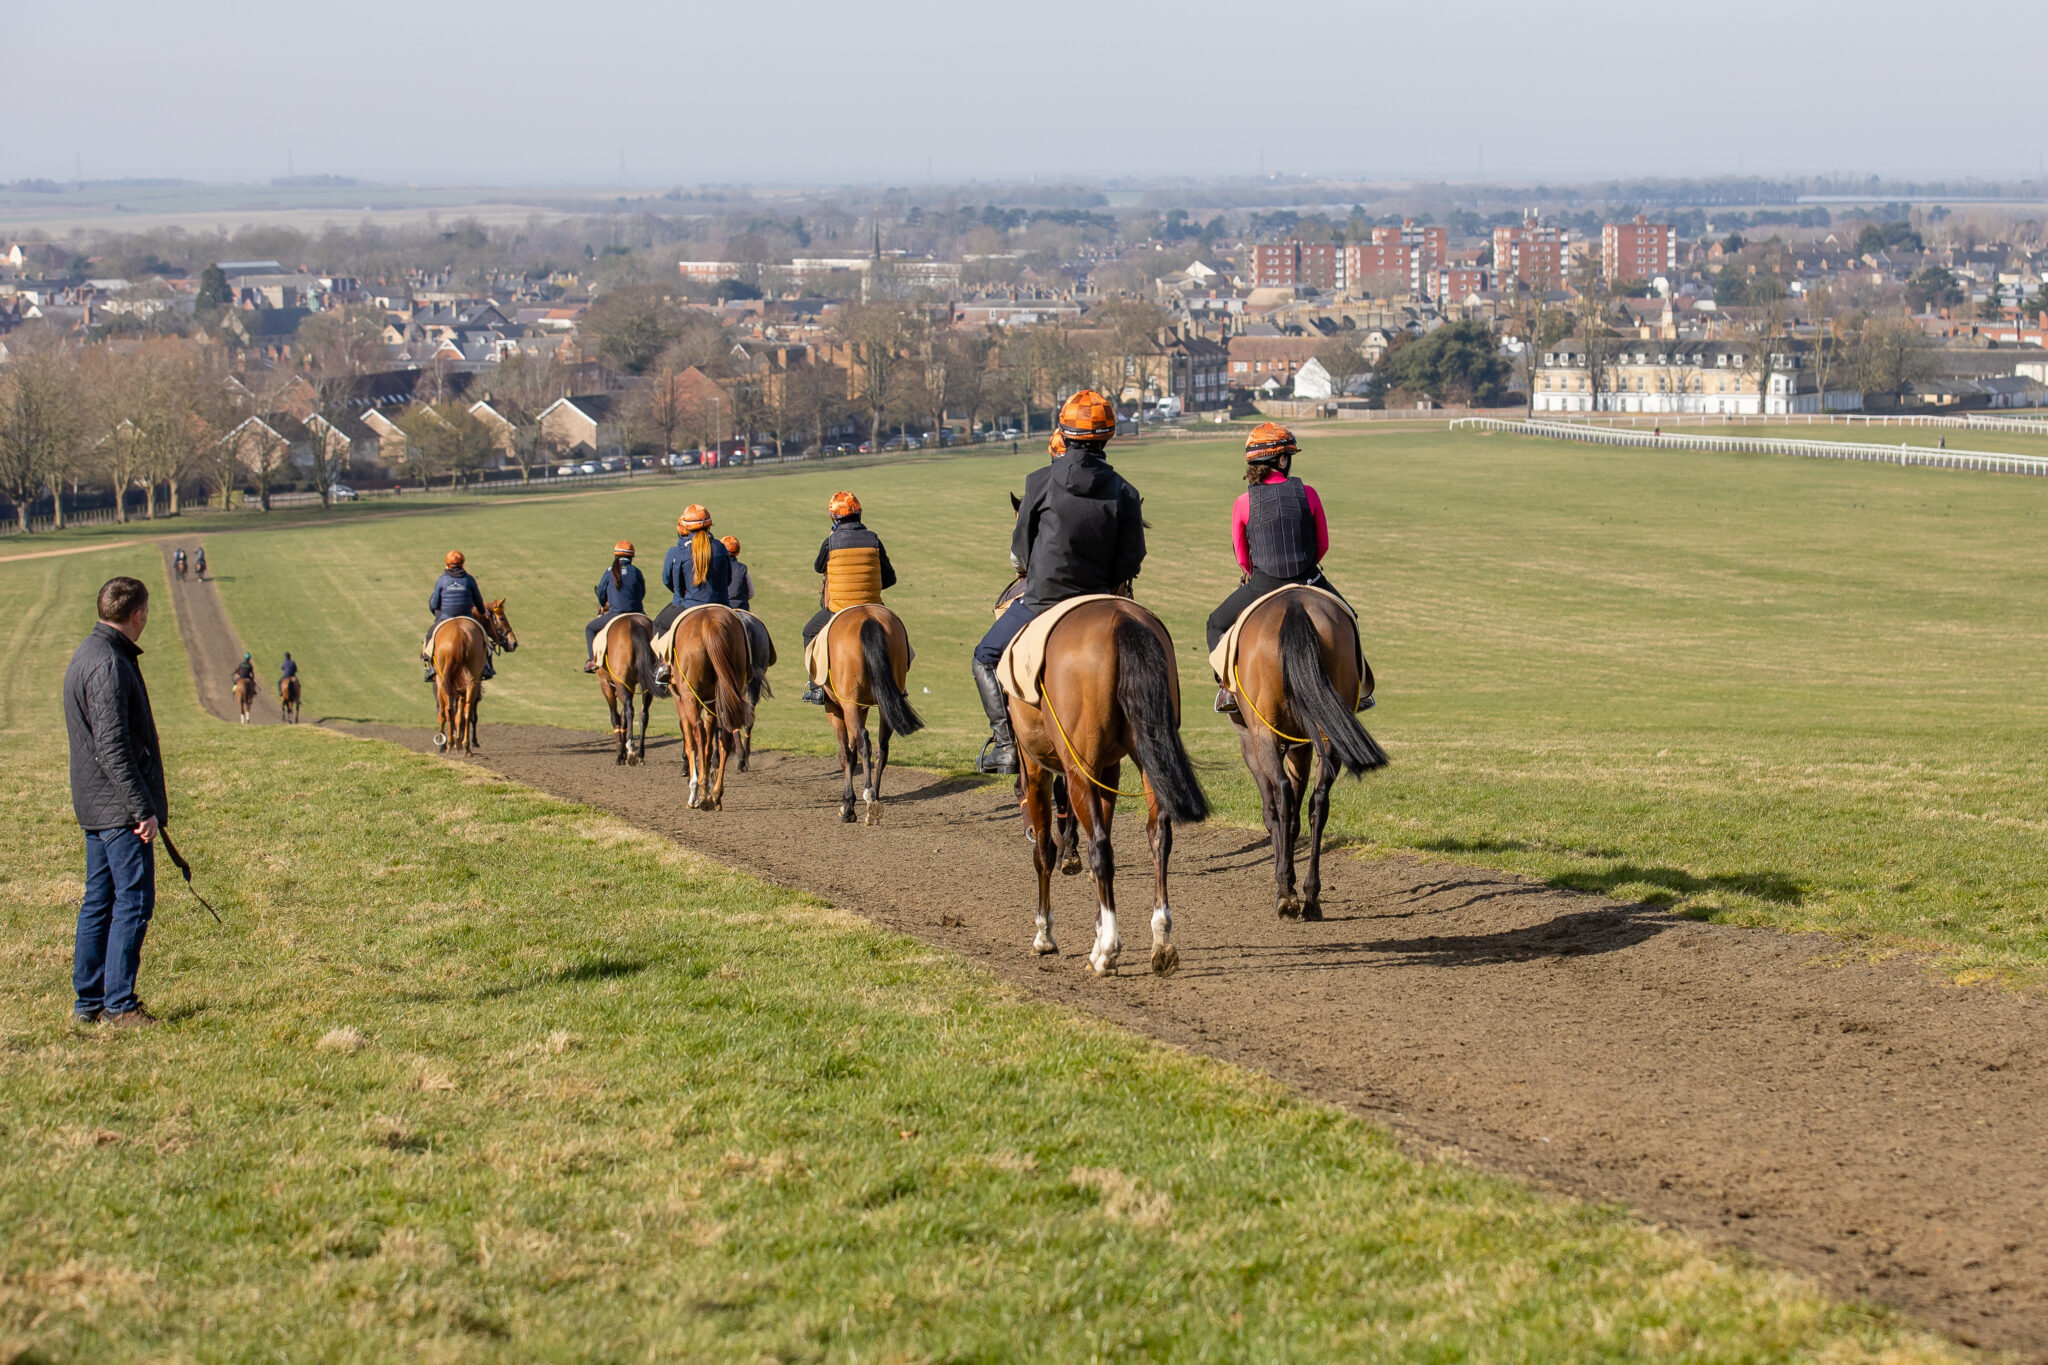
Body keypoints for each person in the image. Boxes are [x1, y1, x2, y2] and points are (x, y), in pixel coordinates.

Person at [970, 391, 1146, 773]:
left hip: (1042, 600)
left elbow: (1021, 547)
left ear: (1064, 436)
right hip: (1101, 600)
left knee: (984, 658)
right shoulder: (1125, 491)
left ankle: (1005, 746)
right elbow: (1132, 559)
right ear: (1107, 437)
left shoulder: (1038, 482)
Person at [63, 576, 168, 1028]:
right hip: (117, 808)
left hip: (95, 803)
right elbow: (112, 747)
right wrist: (141, 808)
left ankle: (89, 1003)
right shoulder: (108, 663)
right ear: (138, 615)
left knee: (99, 901)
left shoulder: (88, 651)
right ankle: (119, 1005)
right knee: (133, 901)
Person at [1204, 422, 1359, 715]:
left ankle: (1226, 689)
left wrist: (1257, 573)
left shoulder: (1242, 502)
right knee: (1349, 617)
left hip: (1264, 583)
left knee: (1215, 623)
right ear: (1283, 459)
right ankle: (1357, 689)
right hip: (1310, 579)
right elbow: (1322, 544)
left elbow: (1242, 556)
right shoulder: (1309, 493)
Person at [800, 491, 897, 705]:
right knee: (900, 636)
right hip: (874, 605)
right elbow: (890, 578)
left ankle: (816, 688)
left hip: (839, 608)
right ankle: (899, 684)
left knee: (808, 632)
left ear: (834, 519)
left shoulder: (830, 542)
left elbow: (818, 568)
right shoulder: (874, 539)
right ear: (859, 514)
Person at [651, 506, 731, 690]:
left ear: (687, 528)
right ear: (709, 525)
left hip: (689, 604)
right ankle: (751, 665)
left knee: (659, 624)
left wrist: (682, 596)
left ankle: (663, 667)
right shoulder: (721, 547)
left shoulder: (679, 552)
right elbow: (728, 579)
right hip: (721, 604)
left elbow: (670, 582)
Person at [423, 550, 493, 683]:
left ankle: (429, 667)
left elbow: (434, 603)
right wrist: (484, 612)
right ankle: (487, 666)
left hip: (446, 617)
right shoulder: (469, 579)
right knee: (485, 639)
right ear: (462, 564)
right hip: (467, 617)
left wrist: (437, 614)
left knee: (429, 636)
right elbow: (478, 600)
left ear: (447, 564)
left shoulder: (441, 580)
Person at [581, 540, 647, 673]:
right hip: (638, 613)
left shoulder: (609, 571)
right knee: (654, 629)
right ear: (631, 557)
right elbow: (642, 592)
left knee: (589, 629)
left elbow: (601, 594)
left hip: (615, 614)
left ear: (616, 556)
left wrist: (604, 602)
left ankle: (593, 660)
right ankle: (658, 663)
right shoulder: (636, 571)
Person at [723, 536, 753, 614]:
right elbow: (751, 593)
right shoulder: (743, 568)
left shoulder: (715, 566)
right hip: (741, 608)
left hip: (722, 607)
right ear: (738, 553)